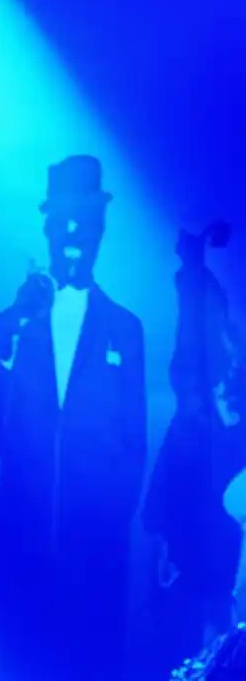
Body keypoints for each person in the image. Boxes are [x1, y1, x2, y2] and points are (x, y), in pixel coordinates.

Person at [0, 155, 147, 681]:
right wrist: (5, 346)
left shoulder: (126, 330)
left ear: (101, 229)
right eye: (61, 219)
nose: (72, 233)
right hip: (21, 557)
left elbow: (135, 445)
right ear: (44, 227)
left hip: (95, 565)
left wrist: (110, 531)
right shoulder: (7, 329)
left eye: (84, 221)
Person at [143, 220, 245, 674]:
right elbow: (191, 342)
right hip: (200, 544)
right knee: (207, 625)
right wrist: (165, 537)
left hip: (229, 553)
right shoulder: (193, 419)